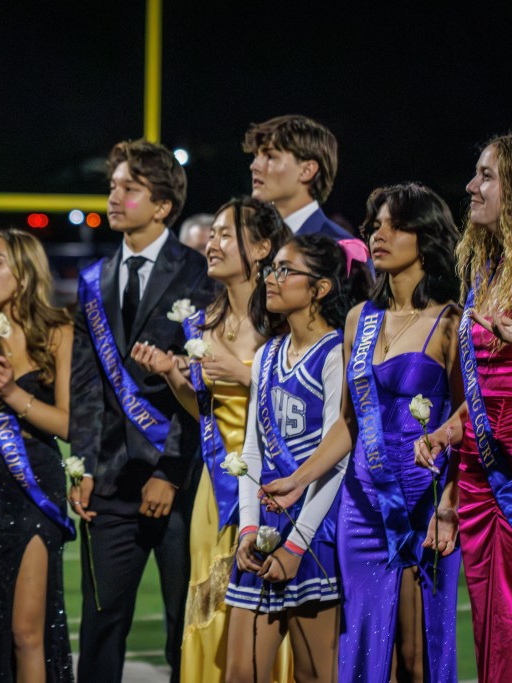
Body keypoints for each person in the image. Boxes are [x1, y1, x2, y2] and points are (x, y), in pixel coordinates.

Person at [263, 183, 462, 682]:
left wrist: (449, 503)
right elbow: (350, 423)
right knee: (366, 648)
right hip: (362, 503)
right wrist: (298, 480)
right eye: (375, 225)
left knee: (417, 656)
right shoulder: (360, 319)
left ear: (427, 236)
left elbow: (466, 419)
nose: (379, 234)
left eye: (396, 225)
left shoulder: (449, 322)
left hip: (423, 501)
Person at [70, 138, 215, 682]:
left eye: (129, 188)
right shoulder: (94, 278)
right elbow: (86, 384)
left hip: (180, 483)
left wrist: (170, 472)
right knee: (100, 630)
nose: (114, 196)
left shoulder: (199, 272)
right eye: (113, 186)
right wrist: (82, 467)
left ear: (162, 206)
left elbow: (202, 385)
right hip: (109, 483)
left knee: (186, 628)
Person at [131, 196, 293, 682]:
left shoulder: (283, 319)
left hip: (275, 483)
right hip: (214, 487)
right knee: (209, 604)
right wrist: (172, 375)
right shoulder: (202, 323)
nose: (212, 243)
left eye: (226, 235)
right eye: (213, 234)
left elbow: (302, 401)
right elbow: (205, 411)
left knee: (266, 609)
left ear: (261, 248)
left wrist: (244, 377)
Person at [224, 234, 371, 683]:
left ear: (320, 288)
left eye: (285, 270)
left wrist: (296, 545)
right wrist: (249, 529)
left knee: (314, 675)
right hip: (265, 527)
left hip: (314, 529)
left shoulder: (335, 353)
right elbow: (252, 451)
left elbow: (336, 458)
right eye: (273, 269)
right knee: (240, 674)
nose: (272, 278)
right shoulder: (267, 354)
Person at [415, 134, 512, 683]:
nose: (471, 186)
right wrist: (447, 433)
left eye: (487, 176)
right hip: (481, 477)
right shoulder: (487, 270)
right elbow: (483, 390)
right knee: (491, 626)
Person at [0, 228, 75, 682]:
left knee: (27, 630)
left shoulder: (58, 332)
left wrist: (10, 392)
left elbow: (69, 424)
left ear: (24, 272)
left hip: (33, 489)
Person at [244, 115, 355, 240]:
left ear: (307, 171)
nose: (254, 166)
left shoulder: (341, 246)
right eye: (256, 156)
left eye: (270, 157)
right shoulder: (250, 241)